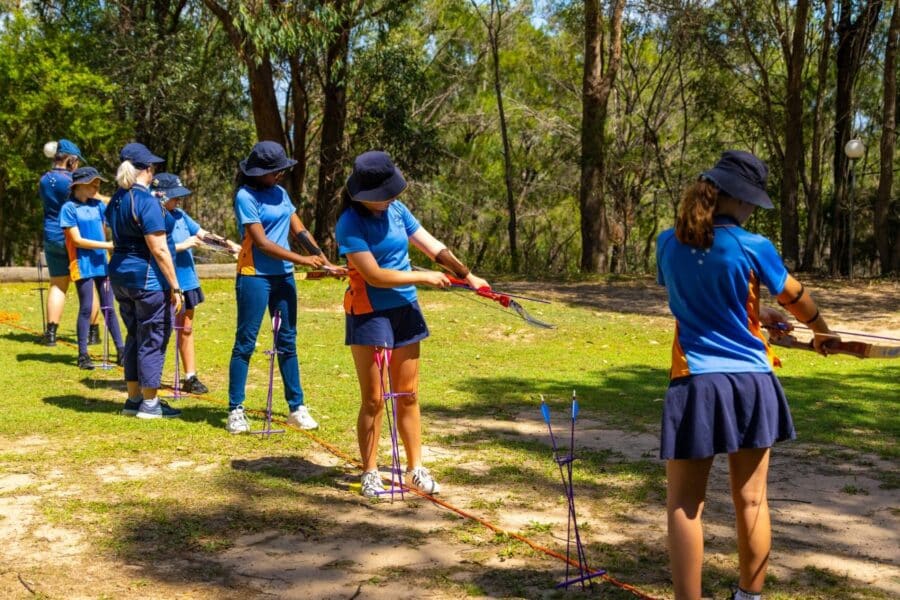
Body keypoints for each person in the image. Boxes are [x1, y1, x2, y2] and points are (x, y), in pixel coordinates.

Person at [655, 150, 837, 600]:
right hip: (751, 384)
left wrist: (756, 313)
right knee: (752, 500)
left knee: (684, 504)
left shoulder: (667, 243)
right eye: (753, 202)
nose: (754, 210)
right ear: (738, 199)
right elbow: (795, 296)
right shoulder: (753, 246)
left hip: (696, 381)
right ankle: (749, 596)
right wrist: (821, 330)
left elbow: (699, 298)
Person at [335, 150, 490, 497]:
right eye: (382, 194)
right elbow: (373, 275)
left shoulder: (397, 210)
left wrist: (468, 275)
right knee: (374, 399)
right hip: (370, 312)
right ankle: (370, 471)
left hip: (405, 310)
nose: (389, 199)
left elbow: (433, 247)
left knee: (408, 394)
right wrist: (423, 277)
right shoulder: (349, 223)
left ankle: (415, 468)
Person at [226, 141, 336, 434]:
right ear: (259, 172)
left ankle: (296, 408)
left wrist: (324, 261)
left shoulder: (281, 193)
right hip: (254, 275)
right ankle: (235, 410)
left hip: (283, 276)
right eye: (275, 171)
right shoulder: (245, 196)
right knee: (245, 342)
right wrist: (303, 260)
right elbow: (262, 243)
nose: (280, 174)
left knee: (287, 341)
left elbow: (300, 230)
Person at [107, 143, 183, 420]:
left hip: (120, 277)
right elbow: (159, 249)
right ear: (147, 170)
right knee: (153, 336)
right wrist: (176, 286)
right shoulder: (146, 201)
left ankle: (133, 399)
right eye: (152, 167)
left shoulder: (116, 200)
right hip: (147, 279)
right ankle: (151, 404)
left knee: (134, 335)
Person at [151, 173, 241, 394]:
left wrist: (228, 245)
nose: (178, 200)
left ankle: (190, 377)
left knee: (186, 328)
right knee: (160, 331)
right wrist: (183, 245)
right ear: (161, 196)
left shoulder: (181, 215)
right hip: (165, 282)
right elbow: (156, 249)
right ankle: (151, 376)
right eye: (174, 196)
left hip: (187, 280)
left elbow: (203, 235)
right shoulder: (153, 217)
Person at [59, 167, 125, 369]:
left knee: (109, 307)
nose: (97, 186)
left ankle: (121, 351)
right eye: (92, 183)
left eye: (98, 183)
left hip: (102, 264)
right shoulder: (69, 208)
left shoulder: (98, 206)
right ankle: (83, 355)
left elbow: (109, 225)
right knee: (86, 307)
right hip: (82, 264)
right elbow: (77, 240)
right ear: (79, 185)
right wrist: (108, 245)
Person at [38, 139, 100, 346]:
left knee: (57, 284)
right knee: (87, 284)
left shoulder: (44, 179)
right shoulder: (72, 181)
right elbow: (94, 198)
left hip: (51, 236)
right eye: (77, 161)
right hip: (73, 236)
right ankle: (93, 333)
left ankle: (51, 334)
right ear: (71, 160)